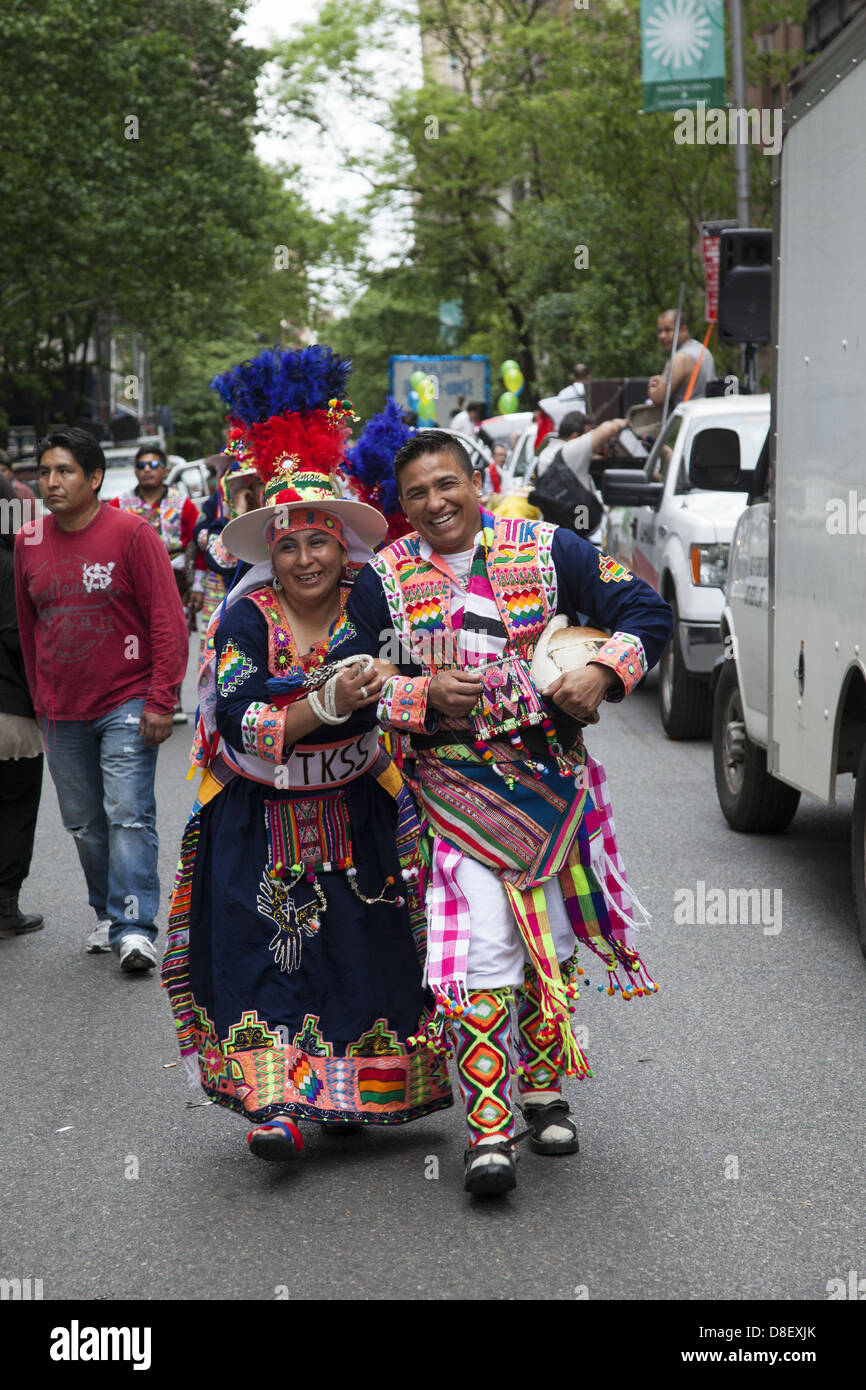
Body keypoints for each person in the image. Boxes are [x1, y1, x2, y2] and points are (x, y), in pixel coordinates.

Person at [344, 429, 672, 1194]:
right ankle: (488, 1129)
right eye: (418, 494)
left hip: (550, 785)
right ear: (403, 506)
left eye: (447, 484)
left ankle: (543, 1092)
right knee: (485, 944)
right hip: (449, 790)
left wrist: (601, 671)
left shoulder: (548, 548)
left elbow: (646, 612)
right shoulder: (384, 578)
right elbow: (349, 677)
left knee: (547, 940)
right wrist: (416, 696)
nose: (435, 503)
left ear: (477, 481)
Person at [162, 346, 451, 1161]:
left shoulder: (373, 602)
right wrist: (323, 702)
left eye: (320, 542)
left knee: (360, 950)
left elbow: (413, 675)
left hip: (359, 809)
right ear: (271, 554)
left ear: (341, 546)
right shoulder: (245, 617)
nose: (305, 558)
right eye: (288, 546)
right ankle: (278, 1107)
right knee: (266, 953)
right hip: (258, 815)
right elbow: (246, 715)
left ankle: (356, 1089)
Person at [14, 427, 189, 971]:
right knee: (84, 822)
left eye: (64, 471)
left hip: (127, 700)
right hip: (60, 710)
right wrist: (37, 699)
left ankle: (136, 926)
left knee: (129, 814)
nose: (51, 481)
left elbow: (167, 619)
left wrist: (162, 698)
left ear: (93, 478)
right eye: (43, 472)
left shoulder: (132, 534)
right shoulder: (29, 542)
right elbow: (27, 628)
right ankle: (108, 914)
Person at [109, 445, 203, 720]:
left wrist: (197, 585)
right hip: (132, 583)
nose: (147, 471)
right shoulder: (119, 503)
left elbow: (197, 545)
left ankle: (169, 699)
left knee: (172, 639)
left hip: (175, 582)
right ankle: (137, 698)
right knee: (135, 639)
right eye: (141, 466)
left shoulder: (181, 503)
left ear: (164, 470)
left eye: (153, 465)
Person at [0, 473, 44, 937]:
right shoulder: (10, 564)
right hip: (9, 709)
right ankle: (4, 905)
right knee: (14, 806)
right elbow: (17, 637)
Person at [648, 309, 715, 408]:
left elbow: (659, 398)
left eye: (668, 330)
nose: (662, 336)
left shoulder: (680, 358)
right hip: (704, 416)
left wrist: (652, 386)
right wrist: (662, 380)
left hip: (685, 419)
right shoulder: (703, 350)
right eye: (659, 331)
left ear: (683, 330)